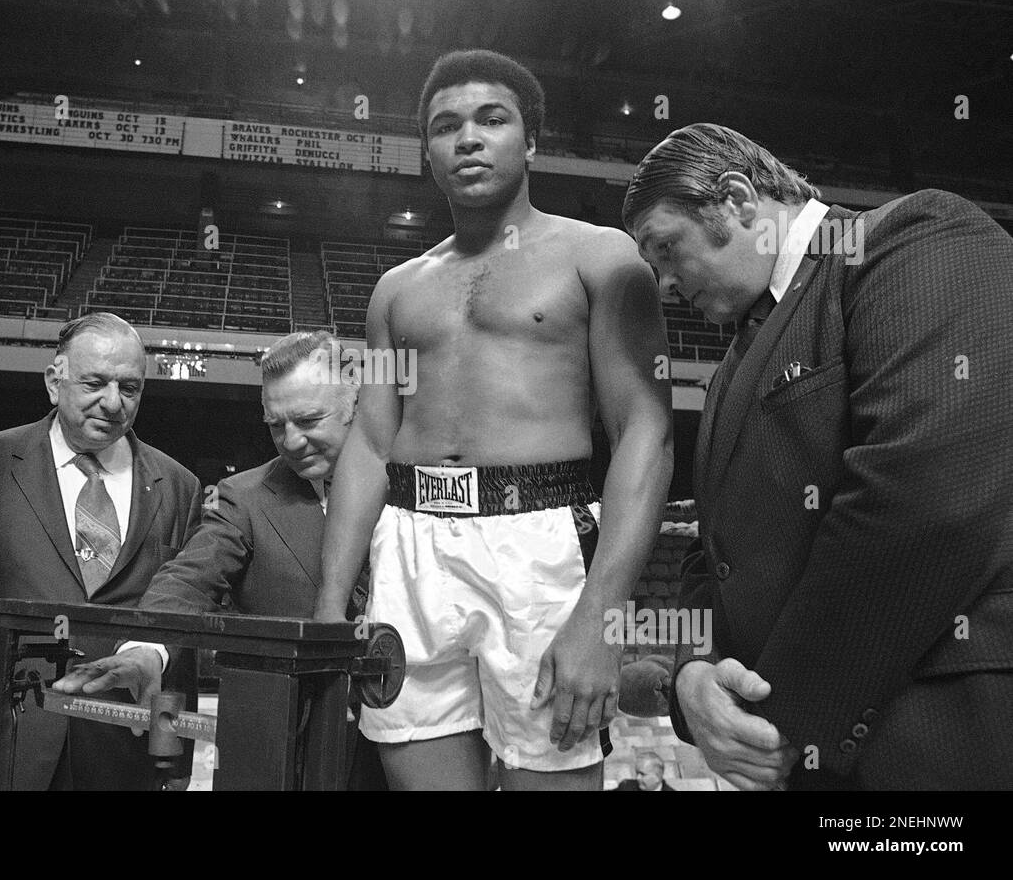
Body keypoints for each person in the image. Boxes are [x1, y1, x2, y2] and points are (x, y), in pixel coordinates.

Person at [313, 49, 675, 790]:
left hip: (540, 547)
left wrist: (601, 619)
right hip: (410, 547)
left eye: (491, 118)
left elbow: (647, 432)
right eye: (446, 126)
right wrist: (327, 604)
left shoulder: (602, 258)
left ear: (531, 140)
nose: (468, 138)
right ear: (428, 152)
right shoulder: (395, 291)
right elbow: (370, 442)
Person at [622, 123, 1013, 790]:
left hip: (927, 735)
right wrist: (694, 672)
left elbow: (926, 495)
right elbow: (706, 552)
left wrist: (781, 720)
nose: (660, 282)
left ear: (739, 200)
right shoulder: (730, 367)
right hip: (804, 761)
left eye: (666, 248)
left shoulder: (912, 235)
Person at [60, 330, 387, 790]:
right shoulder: (244, 499)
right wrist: (146, 649)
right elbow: (188, 580)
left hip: (403, 748)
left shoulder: (416, 481)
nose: (291, 442)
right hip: (279, 758)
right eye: (276, 425)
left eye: (309, 419)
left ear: (356, 400)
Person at [0, 313, 203, 791]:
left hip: (126, 746)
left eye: (129, 387)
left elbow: (183, 626)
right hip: (10, 739)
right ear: (54, 381)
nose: (112, 402)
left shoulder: (180, 486)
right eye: (95, 382)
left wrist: (175, 758)